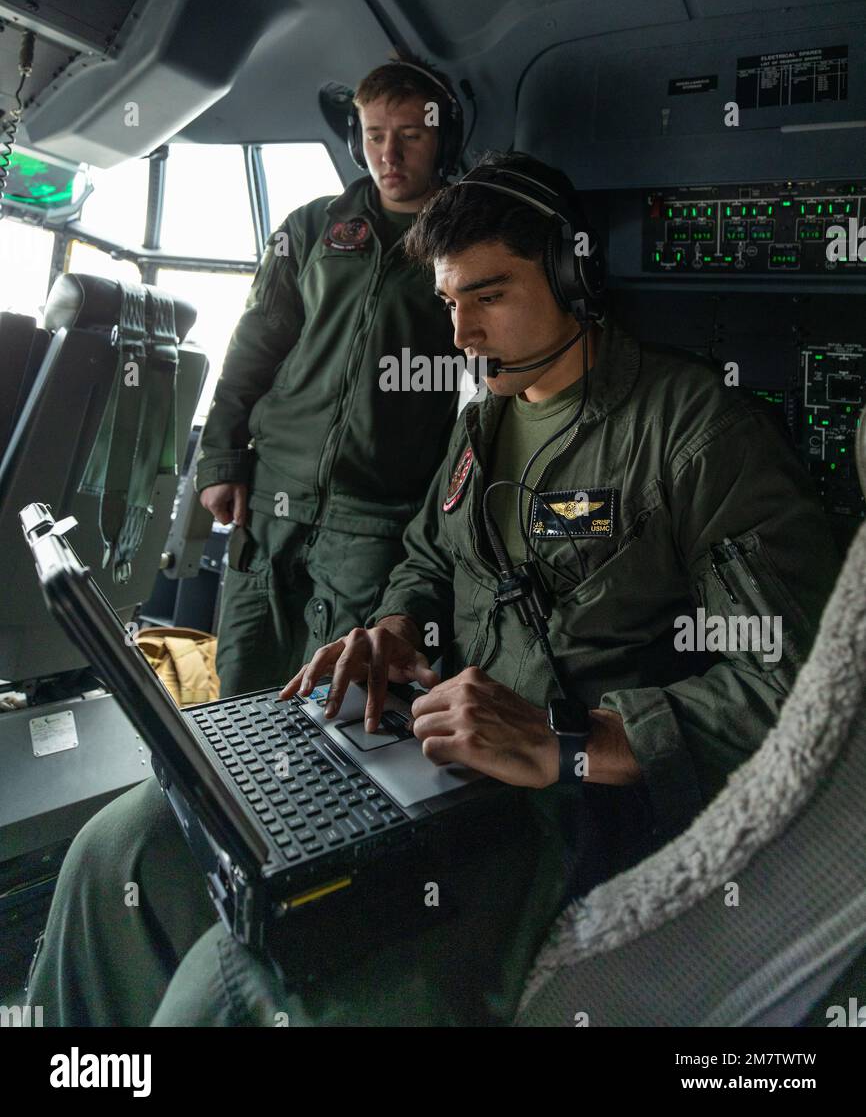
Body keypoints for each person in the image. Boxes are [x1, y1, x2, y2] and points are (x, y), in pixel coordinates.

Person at [26, 152, 839, 1027]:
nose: (461, 335)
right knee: (118, 851)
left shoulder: (695, 433)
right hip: (445, 754)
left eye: (488, 297)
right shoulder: (481, 423)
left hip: (572, 800)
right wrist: (397, 626)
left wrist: (569, 738)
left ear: (573, 275)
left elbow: (792, 682)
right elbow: (426, 556)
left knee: (236, 988)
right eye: (452, 303)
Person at [195, 54, 465, 696]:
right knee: (237, 688)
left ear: (442, 140)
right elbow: (254, 344)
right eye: (374, 135)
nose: (389, 155)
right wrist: (222, 457)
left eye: (411, 136)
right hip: (272, 495)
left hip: (375, 514)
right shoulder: (313, 226)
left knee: (329, 701)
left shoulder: (465, 239)